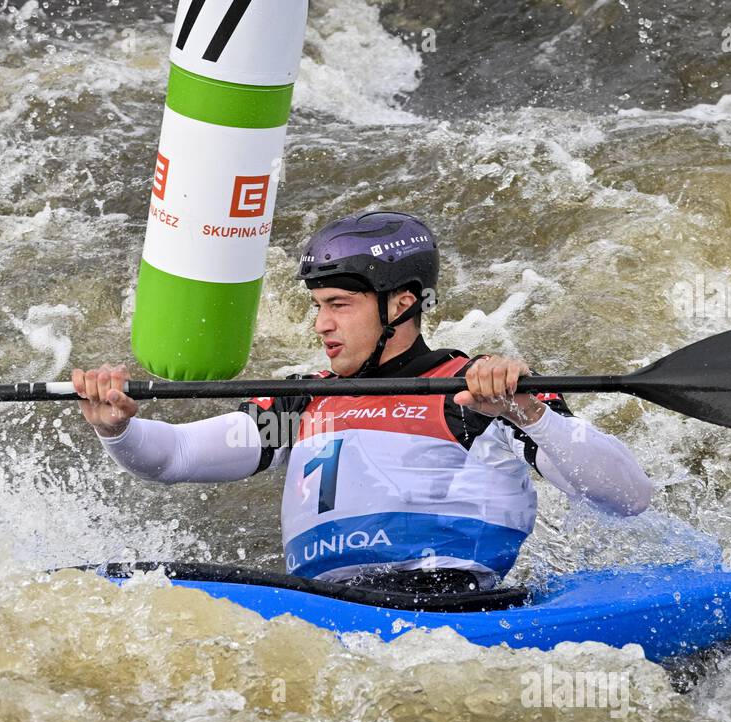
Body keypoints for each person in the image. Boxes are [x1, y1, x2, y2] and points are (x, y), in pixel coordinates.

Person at [72, 211, 653, 594]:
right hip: (326, 603)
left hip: (449, 606)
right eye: (318, 305)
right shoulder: (301, 404)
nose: (322, 324)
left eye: (340, 305)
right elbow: (173, 457)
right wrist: (118, 428)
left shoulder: (478, 393)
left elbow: (628, 498)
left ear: (400, 305)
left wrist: (529, 413)